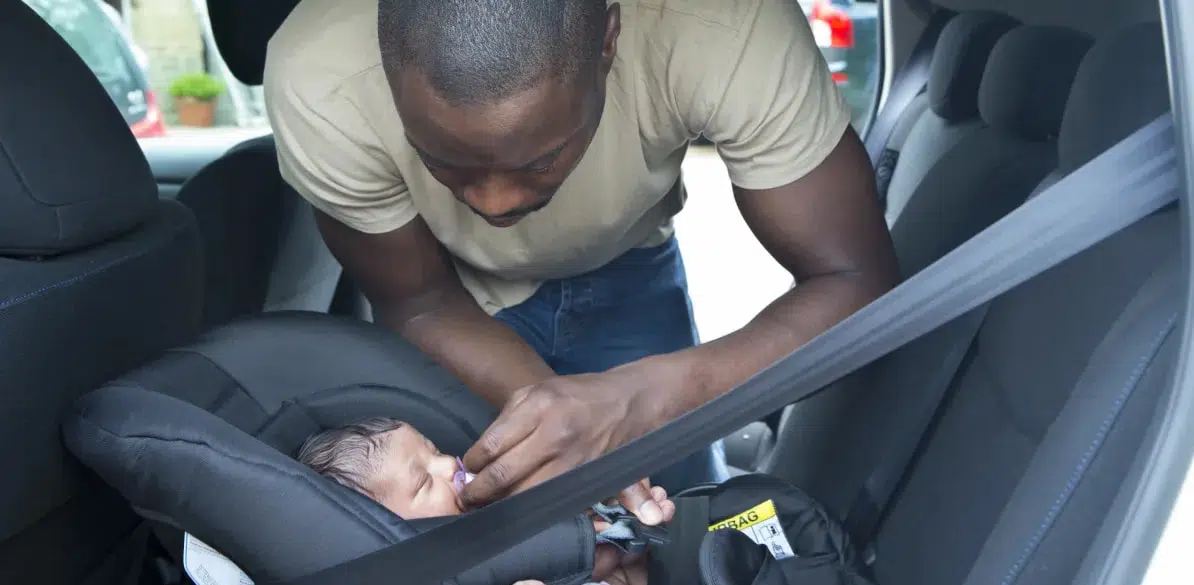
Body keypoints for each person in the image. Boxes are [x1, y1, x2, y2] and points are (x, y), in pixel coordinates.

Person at [264, 0, 898, 541]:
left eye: (540, 160)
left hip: (631, 272)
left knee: (687, 525)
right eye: (445, 161)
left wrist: (641, 398)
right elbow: (420, 303)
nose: (496, 204)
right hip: (455, 308)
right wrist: (549, 419)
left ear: (608, 39)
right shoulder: (319, 80)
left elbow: (857, 281)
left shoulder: (724, 27)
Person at [297, 417, 660, 585]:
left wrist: (616, 526)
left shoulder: (501, 507)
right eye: (424, 482)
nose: (446, 463)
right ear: (390, 530)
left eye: (435, 450)